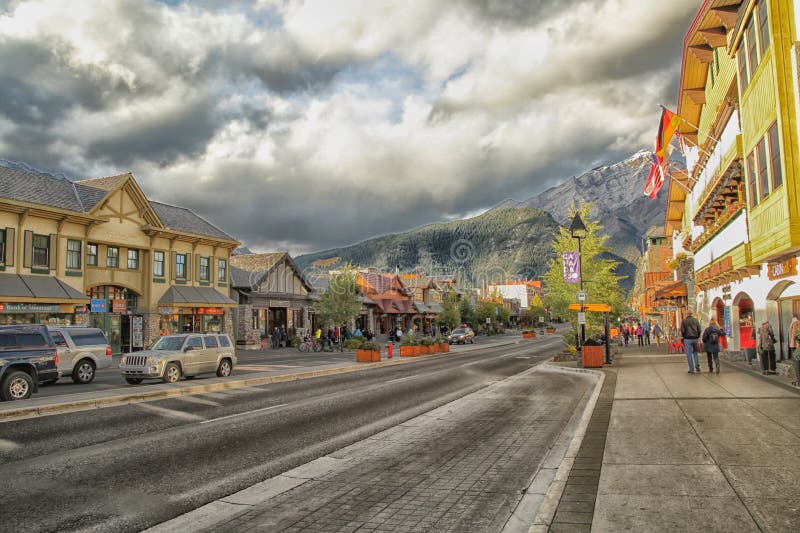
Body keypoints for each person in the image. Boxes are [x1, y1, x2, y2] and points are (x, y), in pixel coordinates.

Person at [789, 317, 800, 386]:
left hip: (795, 346)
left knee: (796, 365)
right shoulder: (796, 323)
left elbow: (794, 337)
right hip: (796, 346)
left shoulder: (794, 323)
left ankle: (798, 381)